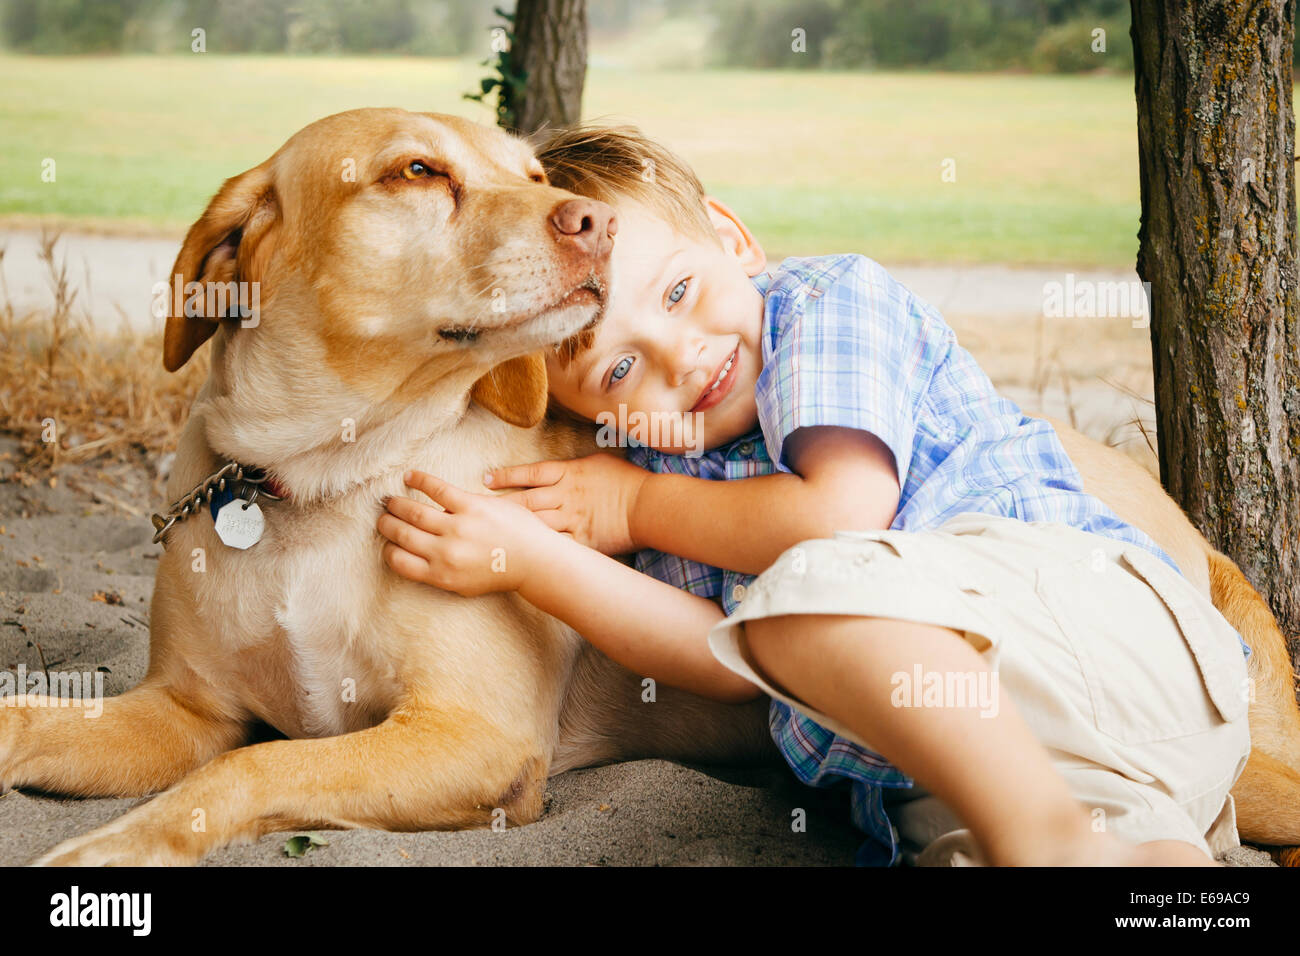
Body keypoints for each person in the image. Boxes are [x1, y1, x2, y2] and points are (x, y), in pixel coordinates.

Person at [375, 124, 1251, 867]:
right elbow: (728, 665)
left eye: (678, 291)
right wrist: (537, 560)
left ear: (732, 238)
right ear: (579, 412)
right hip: (992, 764)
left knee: (811, 590)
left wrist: (629, 507)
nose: (680, 356)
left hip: (1090, 637)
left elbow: (835, 520)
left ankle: (1048, 836)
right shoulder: (685, 484)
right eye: (619, 367)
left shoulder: (824, 306)